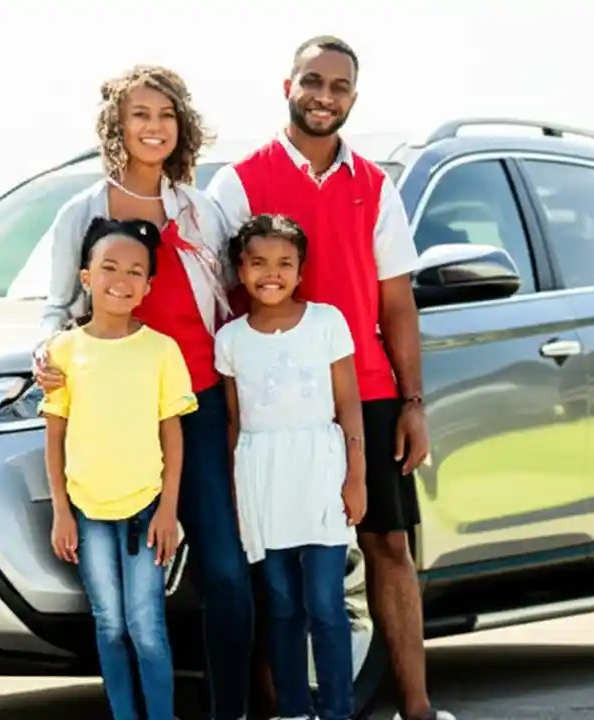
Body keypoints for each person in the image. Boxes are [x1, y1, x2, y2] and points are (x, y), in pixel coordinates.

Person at [206, 36, 454, 720]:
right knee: (271, 558)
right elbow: (216, 293)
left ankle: (417, 708)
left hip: (366, 392)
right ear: (287, 86)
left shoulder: (375, 186)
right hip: (270, 402)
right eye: (312, 81)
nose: (324, 96)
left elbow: (397, 302)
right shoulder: (239, 183)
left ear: (353, 97)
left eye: (339, 86)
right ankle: (277, 708)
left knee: (388, 544)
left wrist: (412, 402)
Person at [34, 65, 255, 720]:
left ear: (181, 126)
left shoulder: (202, 210)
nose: (154, 127)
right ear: (117, 125)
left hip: (198, 404)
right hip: (111, 420)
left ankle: (231, 710)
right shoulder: (82, 213)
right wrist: (44, 353)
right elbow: (55, 309)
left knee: (224, 569)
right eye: (139, 115)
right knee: (123, 601)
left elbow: (234, 299)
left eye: (166, 115)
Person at [40, 216, 194, 720]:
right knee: (109, 624)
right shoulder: (64, 351)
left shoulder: (161, 350)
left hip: (146, 511)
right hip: (87, 513)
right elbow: (55, 437)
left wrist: (168, 510)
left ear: (148, 286)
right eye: (109, 267)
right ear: (86, 276)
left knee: (146, 626)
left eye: (135, 272)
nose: (121, 280)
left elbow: (173, 434)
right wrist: (61, 512)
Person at [215, 213, 366, 720]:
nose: (271, 274)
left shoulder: (326, 323)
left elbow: (349, 404)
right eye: (258, 263)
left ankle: (338, 711)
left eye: (284, 263)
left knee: (325, 602)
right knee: (280, 604)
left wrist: (356, 476)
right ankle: (294, 711)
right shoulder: (230, 340)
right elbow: (235, 422)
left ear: (301, 271)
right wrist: (236, 495)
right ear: (241, 269)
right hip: (261, 478)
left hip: (319, 471)